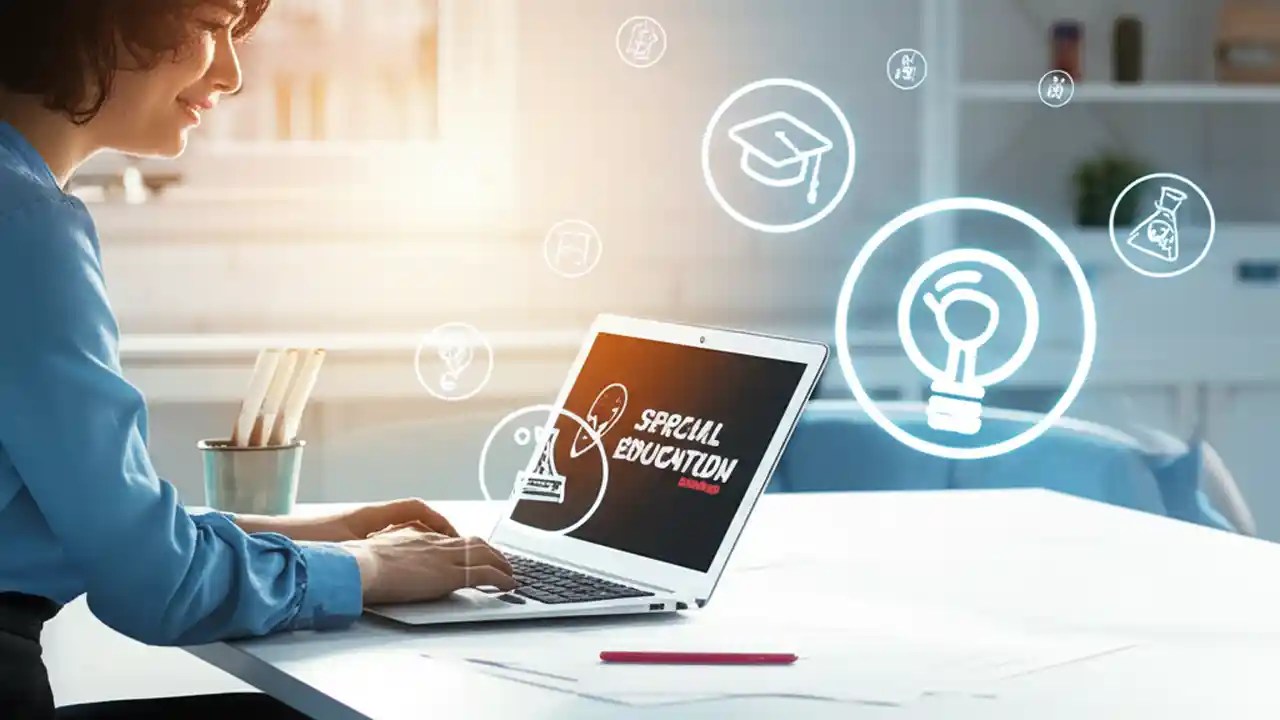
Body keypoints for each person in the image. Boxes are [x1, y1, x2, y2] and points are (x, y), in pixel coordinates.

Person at [0, 2, 516, 717]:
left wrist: (323, 532)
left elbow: (103, 528)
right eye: (212, 26)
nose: (232, 72)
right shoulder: (24, 228)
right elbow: (159, 586)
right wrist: (365, 569)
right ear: (96, 19)